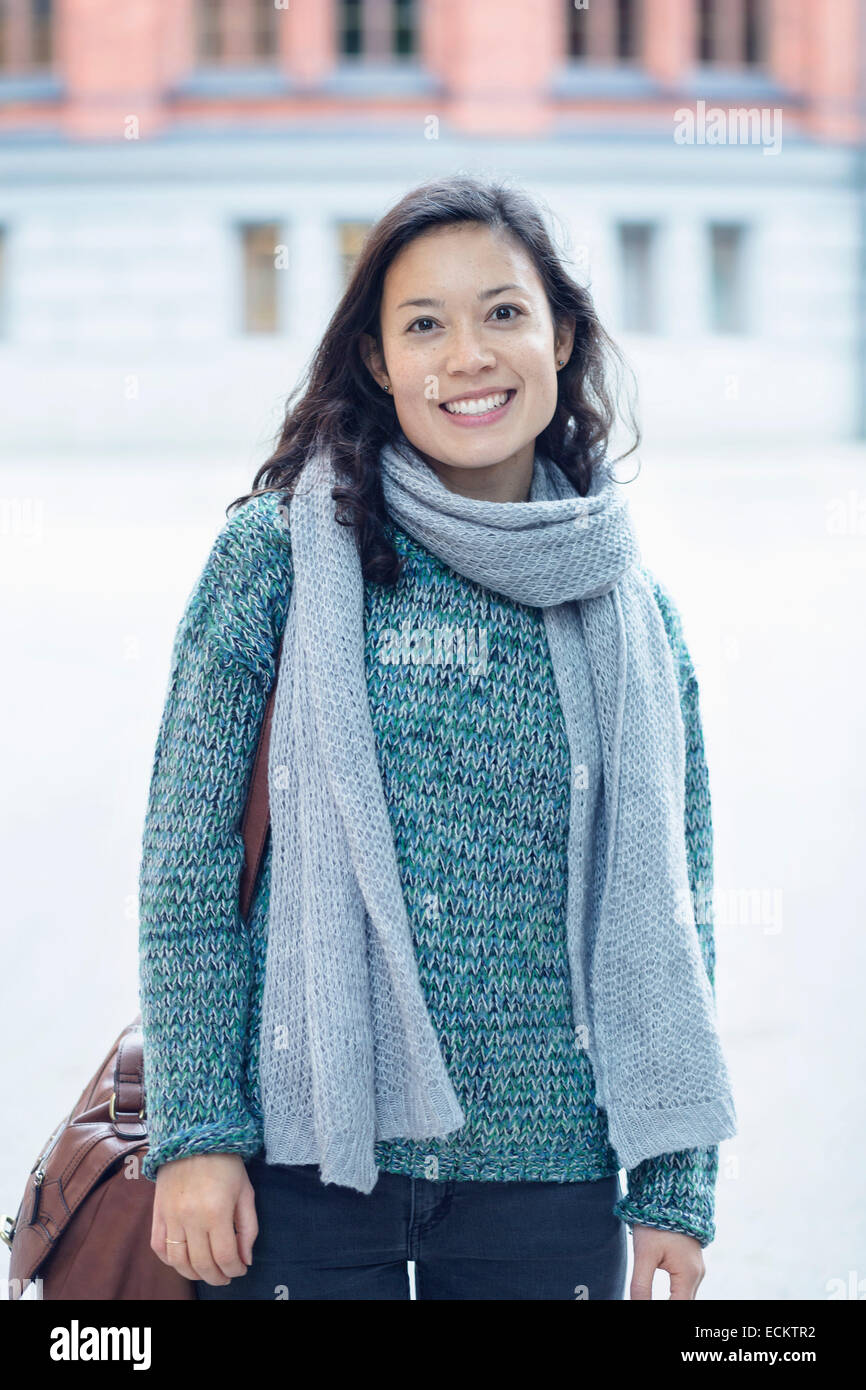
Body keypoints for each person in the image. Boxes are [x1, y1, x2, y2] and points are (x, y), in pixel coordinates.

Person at [137, 174, 736, 1301]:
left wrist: (673, 1184)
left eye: (502, 313)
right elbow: (188, 867)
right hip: (297, 1175)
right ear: (377, 360)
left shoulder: (629, 612)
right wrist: (197, 1133)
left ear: (559, 336)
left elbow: (675, 902)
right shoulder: (273, 560)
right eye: (424, 324)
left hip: (549, 1192)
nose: (468, 355)